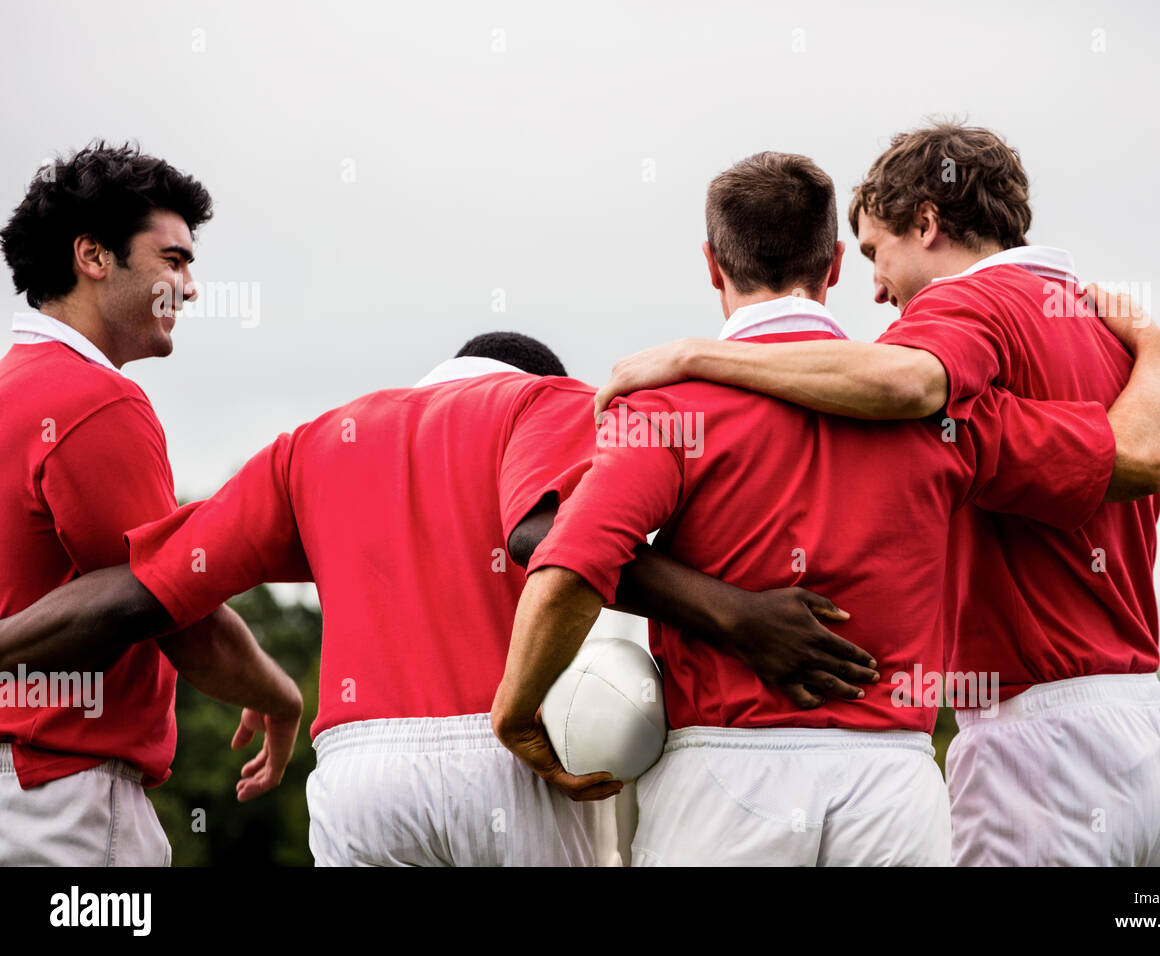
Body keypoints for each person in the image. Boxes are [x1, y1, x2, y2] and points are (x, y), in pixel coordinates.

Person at [493, 150, 1160, 866]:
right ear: (834, 268)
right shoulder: (951, 418)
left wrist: (516, 710)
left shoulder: (669, 403)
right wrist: (1156, 352)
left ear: (711, 264)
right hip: (897, 788)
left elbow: (572, 560)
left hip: (726, 779)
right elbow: (1121, 458)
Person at [0, 328, 879, 866]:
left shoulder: (308, 445)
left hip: (357, 774)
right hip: (513, 756)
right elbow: (557, 542)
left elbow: (147, 595)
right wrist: (739, 614)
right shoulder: (543, 399)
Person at [0, 143, 301, 866]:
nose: (190, 287)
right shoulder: (94, 398)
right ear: (93, 257)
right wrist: (282, 694)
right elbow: (168, 608)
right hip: (61, 792)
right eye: (173, 259)